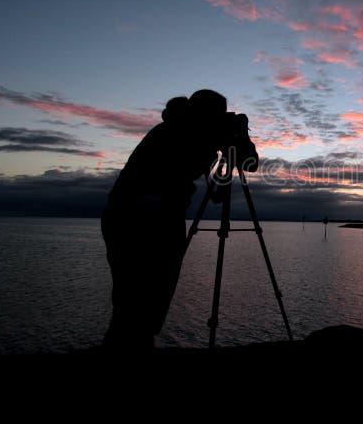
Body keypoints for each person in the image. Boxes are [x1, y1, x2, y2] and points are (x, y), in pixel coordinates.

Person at [101, 89, 258, 350]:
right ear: (201, 114)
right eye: (216, 115)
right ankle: (127, 343)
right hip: (134, 218)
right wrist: (236, 135)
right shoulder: (175, 132)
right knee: (135, 297)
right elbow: (242, 162)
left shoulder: (191, 130)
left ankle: (135, 342)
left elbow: (243, 168)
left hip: (151, 217)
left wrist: (239, 138)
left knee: (148, 296)